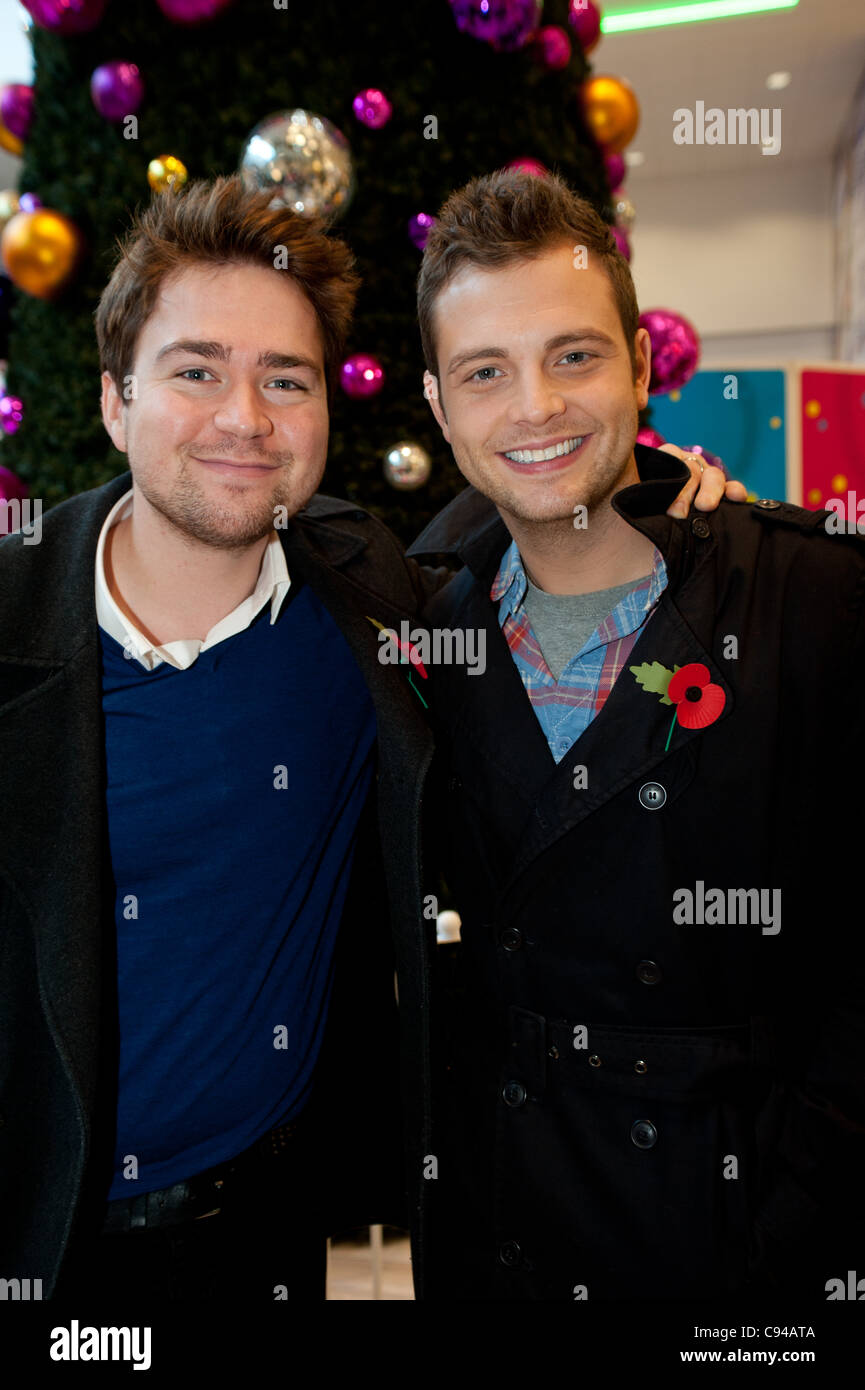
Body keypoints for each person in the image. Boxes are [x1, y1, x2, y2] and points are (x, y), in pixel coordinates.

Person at [0, 171, 733, 1304]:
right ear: (114, 400)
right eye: (196, 371)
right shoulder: (13, 628)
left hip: (273, 1239)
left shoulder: (369, 601)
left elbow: (522, 514)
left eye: (283, 379)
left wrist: (660, 497)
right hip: (45, 1246)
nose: (245, 418)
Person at [408, 168, 865, 1301]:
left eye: (572, 356)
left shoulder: (810, 601)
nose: (534, 408)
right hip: (492, 1229)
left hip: (737, 1246)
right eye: (485, 373)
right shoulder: (418, 623)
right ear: (437, 407)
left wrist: (791, 1219)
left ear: (639, 363)